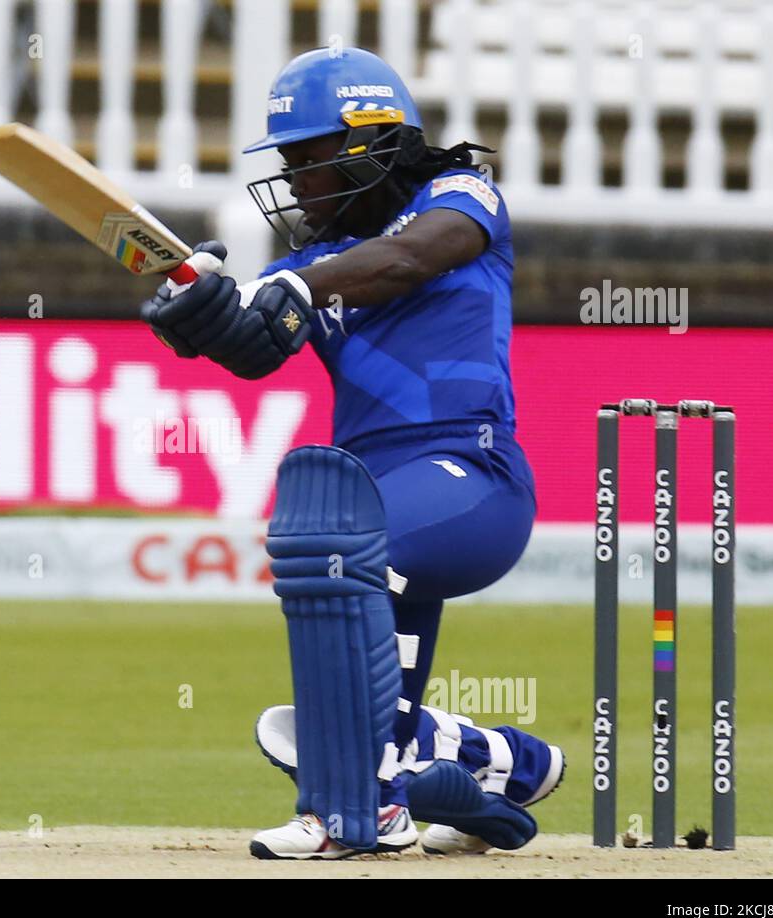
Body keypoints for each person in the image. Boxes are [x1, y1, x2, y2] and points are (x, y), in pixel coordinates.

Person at [141, 47, 564, 859]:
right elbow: (255, 349)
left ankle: (353, 805)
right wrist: (198, 319)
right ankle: (484, 768)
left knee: (334, 542)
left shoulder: (463, 196)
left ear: (368, 145)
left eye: (307, 160)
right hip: (374, 493)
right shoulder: (308, 264)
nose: (294, 183)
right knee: (325, 552)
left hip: (471, 482)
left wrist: (301, 287)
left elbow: (409, 256)